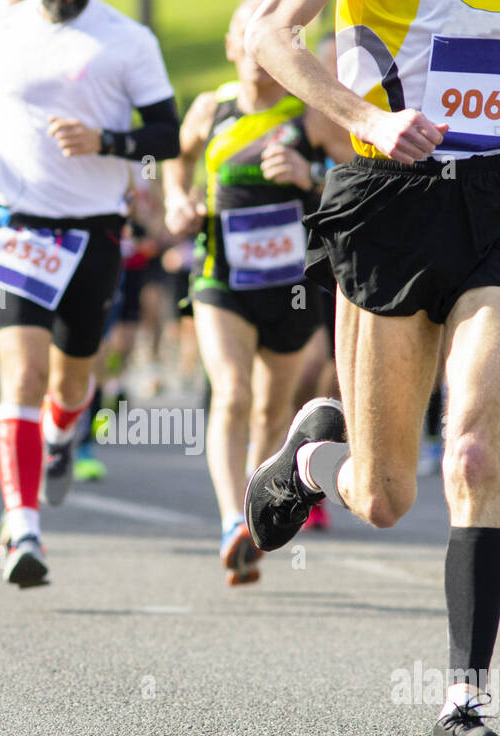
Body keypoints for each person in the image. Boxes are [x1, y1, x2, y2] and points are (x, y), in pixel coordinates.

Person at [244, 0, 500, 736]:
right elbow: (266, 35)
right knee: (382, 495)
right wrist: (366, 117)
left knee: (475, 451)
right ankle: (313, 459)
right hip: (392, 202)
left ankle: (462, 709)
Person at [0, 0, 181, 588]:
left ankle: (61, 432)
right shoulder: (2, 26)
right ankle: (23, 528)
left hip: (95, 231)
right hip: (17, 225)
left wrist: (107, 141)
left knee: (71, 382)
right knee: (22, 374)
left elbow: (166, 138)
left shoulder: (127, 40)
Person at [164, 0, 354, 585]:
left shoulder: (310, 114)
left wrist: (308, 175)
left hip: (291, 285)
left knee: (274, 405)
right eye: (243, 41)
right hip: (220, 277)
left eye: (264, 42)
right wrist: (178, 199)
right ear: (231, 46)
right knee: (234, 391)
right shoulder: (210, 108)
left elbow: (358, 180)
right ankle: (229, 522)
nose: (254, 55)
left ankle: (257, 511)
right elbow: (179, 158)